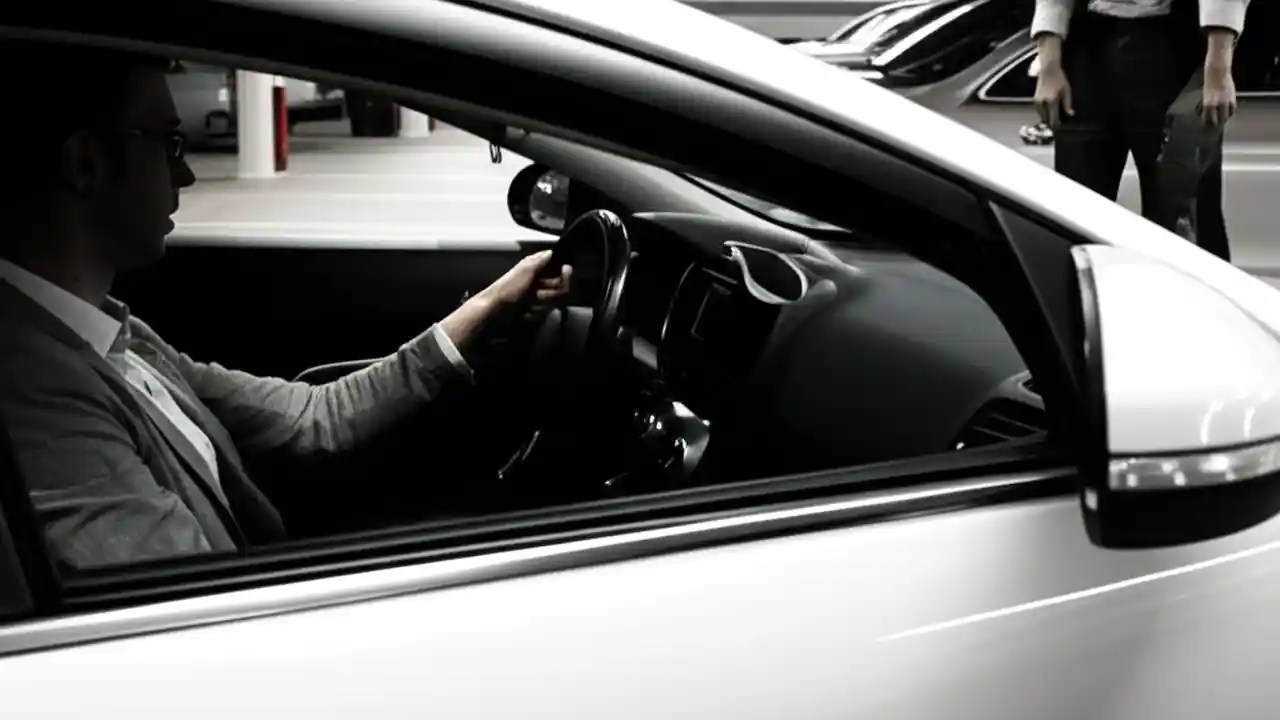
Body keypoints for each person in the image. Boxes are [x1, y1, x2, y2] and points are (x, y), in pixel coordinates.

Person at [0, 42, 572, 570]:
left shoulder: (118, 336)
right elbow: (185, 605)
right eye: (168, 143)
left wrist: (486, 310)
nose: (187, 173)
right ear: (88, 165)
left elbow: (310, 417)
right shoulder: (31, 388)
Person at [1031, 0, 1250, 261]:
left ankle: (1197, 299)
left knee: (1184, 217)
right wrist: (1049, 64)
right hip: (1087, 43)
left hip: (1171, 44)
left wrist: (1218, 69)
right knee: (1075, 215)